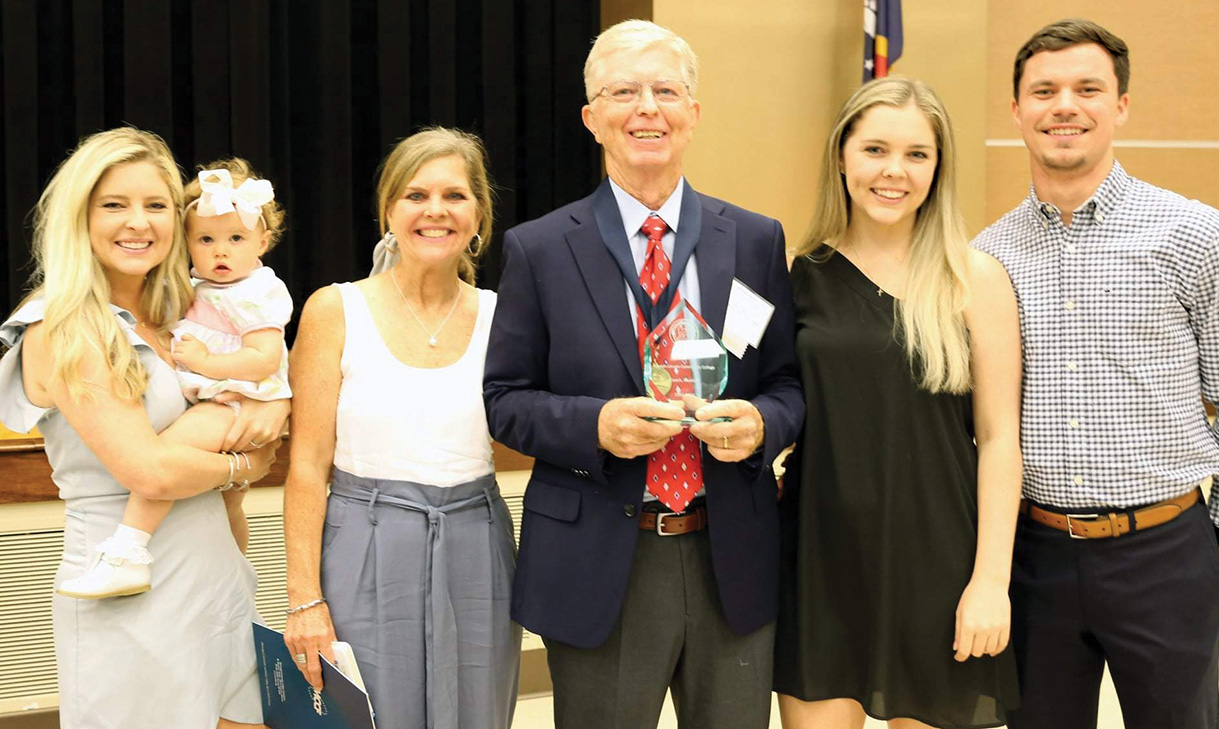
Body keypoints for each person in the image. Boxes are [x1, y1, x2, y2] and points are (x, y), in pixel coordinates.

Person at [483, 19, 804, 729]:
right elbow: (504, 401)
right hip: (601, 556)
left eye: (666, 91)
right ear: (591, 117)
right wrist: (594, 425)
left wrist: (761, 424)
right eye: (624, 92)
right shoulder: (540, 249)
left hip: (732, 552)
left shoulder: (756, 240)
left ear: (694, 112)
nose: (647, 108)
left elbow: (786, 383)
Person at [972, 19, 1219, 729]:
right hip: (1035, 556)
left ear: (1120, 106)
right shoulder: (989, 255)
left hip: (1165, 551)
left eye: (1088, 89)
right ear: (1016, 110)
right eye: (1043, 91)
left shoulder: (1196, 234)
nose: (1064, 106)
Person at [0, 127, 286, 728]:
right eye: (114, 204)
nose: (138, 222)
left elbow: (264, 392)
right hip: (129, 595)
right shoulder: (61, 326)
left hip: (217, 578)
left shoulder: (183, 313)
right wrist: (246, 465)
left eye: (155, 204)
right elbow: (150, 471)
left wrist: (268, 415)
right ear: (80, 216)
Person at [774, 77, 1023, 729]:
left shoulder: (975, 278)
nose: (894, 171)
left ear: (938, 168)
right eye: (876, 149)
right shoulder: (795, 274)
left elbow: (1000, 438)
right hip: (822, 565)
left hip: (940, 567)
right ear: (842, 156)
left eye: (917, 154)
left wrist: (990, 582)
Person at [282, 127, 520, 729]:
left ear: (478, 216)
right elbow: (306, 466)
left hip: (477, 547)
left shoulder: (503, 316)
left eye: (454, 195)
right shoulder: (334, 309)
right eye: (416, 195)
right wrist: (304, 598)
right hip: (363, 545)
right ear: (389, 211)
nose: (435, 210)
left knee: (478, 715)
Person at [56, 158, 291, 599]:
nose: (220, 252)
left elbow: (266, 358)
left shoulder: (255, 292)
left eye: (236, 239)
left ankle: (129, 548)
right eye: (206, 239)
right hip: (222, 397)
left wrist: (213, 365)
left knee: (172, 453)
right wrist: (244, 465)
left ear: (263, 242)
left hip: (229, 401)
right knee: (218, 495)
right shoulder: (193, 290)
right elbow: (153, 473)